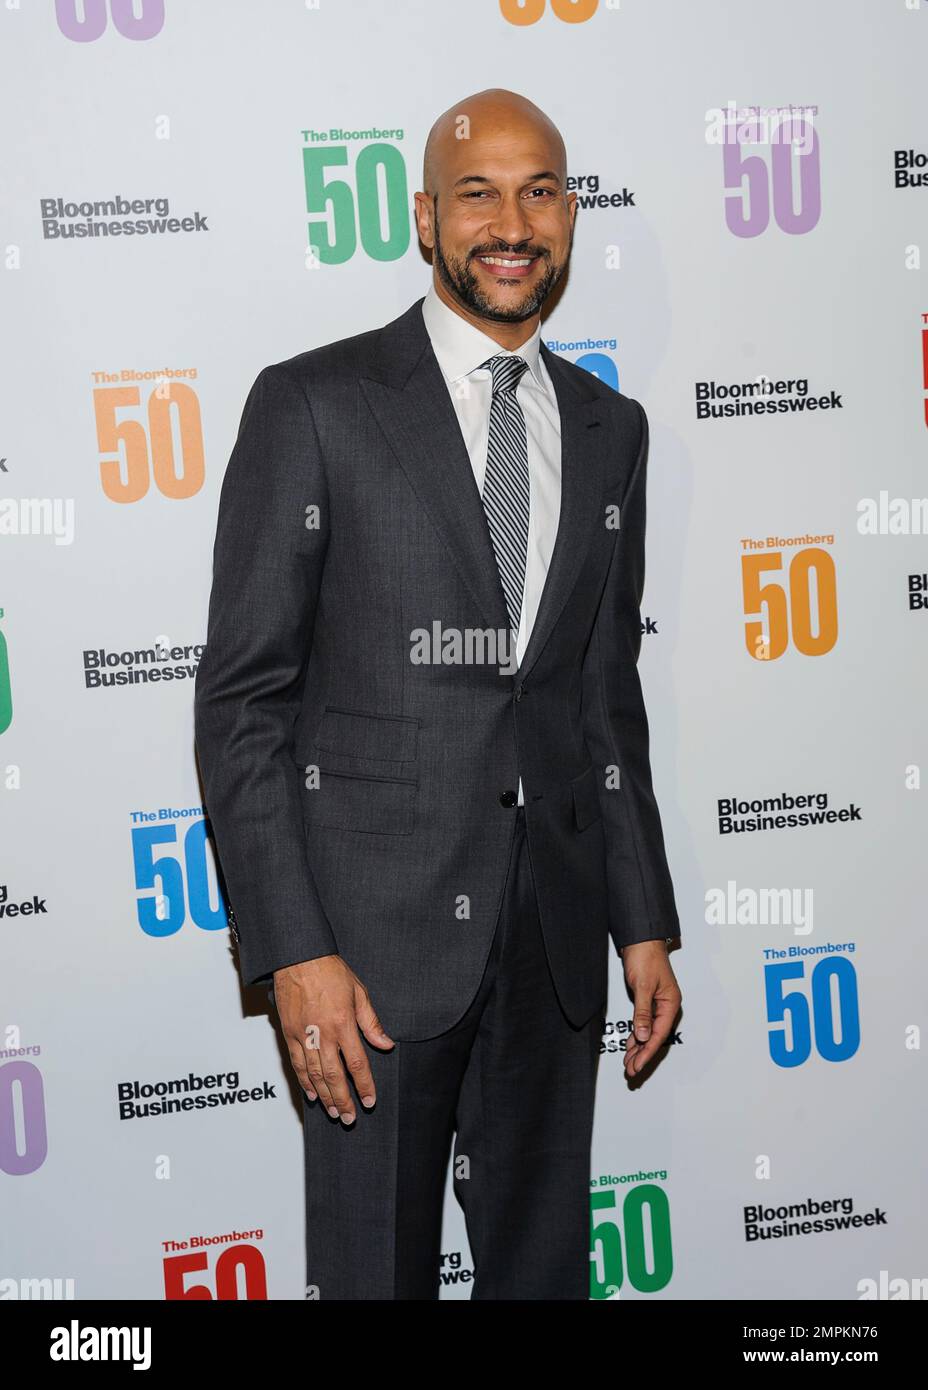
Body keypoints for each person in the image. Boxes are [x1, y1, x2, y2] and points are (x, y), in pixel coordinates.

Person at [194, 87, 681, 1301]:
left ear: (570, 215)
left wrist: (641, 917)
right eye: (478, 192)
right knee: (372, 1278)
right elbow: (244, 701)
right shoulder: (313, 403)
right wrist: (291, 948)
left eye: (539, 191)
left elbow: (598, 693)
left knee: (538, 1277)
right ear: (424, 219)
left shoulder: (611, 427)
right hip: (368, 955)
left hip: (554, 948)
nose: (511, 222)